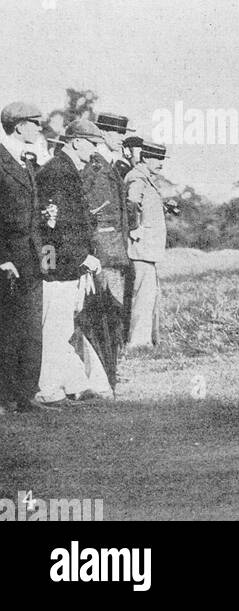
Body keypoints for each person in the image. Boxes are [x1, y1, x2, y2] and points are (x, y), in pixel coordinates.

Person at [35, 120, 109, 405]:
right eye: (92, 144)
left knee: (61, 325)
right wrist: (81, 257)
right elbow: (57, 225)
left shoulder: (64, 170)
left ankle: (75, 383)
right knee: (55, 327)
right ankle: (49, 390)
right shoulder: (59, 172)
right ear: (76, 141)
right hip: (58, 263)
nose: (94, 151)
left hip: (60, 261)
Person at [1, 102, 58, 414]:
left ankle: (26, 395)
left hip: (31, 258)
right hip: (9, 259)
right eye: (35, 124)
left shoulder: (26, 161)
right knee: (7, 328)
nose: (39, 129)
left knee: (30, 329)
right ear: (19, 125)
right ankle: (4, 397)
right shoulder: (2, 158)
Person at [80, 112, 135, 392]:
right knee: (104, 316)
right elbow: (91, 214)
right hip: (105, 255)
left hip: (114, 253)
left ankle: (108, 376)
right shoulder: (95, 168)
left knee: (112, 318)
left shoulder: (108, 165)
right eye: (118, 134)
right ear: (103, 134)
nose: (122, 139)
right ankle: (105, 379)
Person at [125, 141, 177, 347]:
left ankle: (144, 340)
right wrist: (134, 226)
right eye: (157, 159)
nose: (161, 163)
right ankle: (138, 342)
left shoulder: (145, 178)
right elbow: (131, 202)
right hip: (141, 248)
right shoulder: (138, 177)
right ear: (145, 158)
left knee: (147, 295)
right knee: (143, 296)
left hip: (147, 249)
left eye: (162, 159)